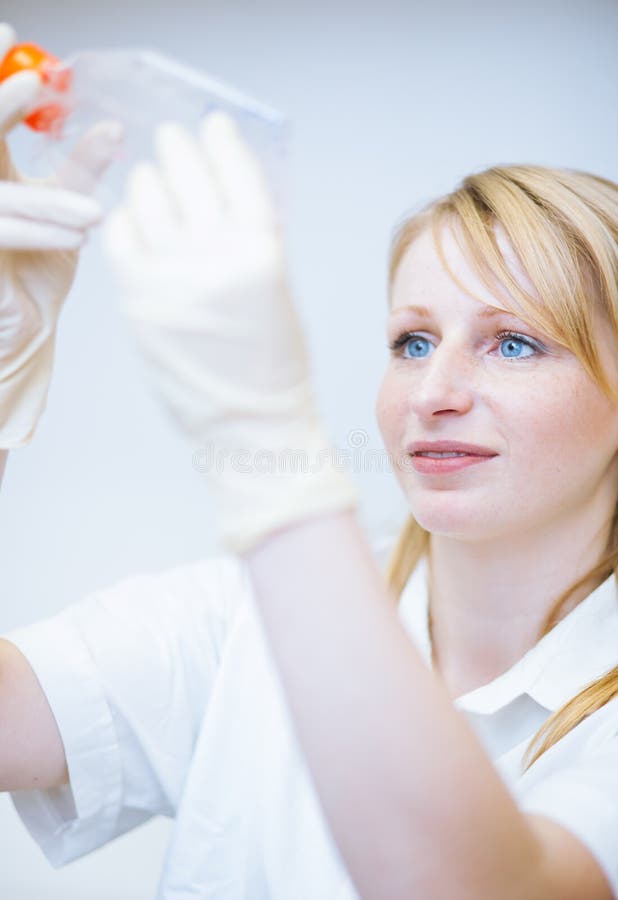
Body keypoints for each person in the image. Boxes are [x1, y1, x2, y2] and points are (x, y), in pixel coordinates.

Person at [2, 19, 618, 899]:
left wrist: (261, 442)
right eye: (412, 341)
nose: (432, 390)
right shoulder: (247, 619)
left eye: (514, 344)